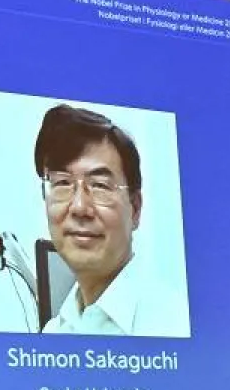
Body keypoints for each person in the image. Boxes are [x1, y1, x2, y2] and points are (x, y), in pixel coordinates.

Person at [34, 104, 182, 337]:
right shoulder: (54, 333)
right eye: (62, 183)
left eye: (100, 186)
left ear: (135, 209)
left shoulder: (175, 324)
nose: (80, 207)